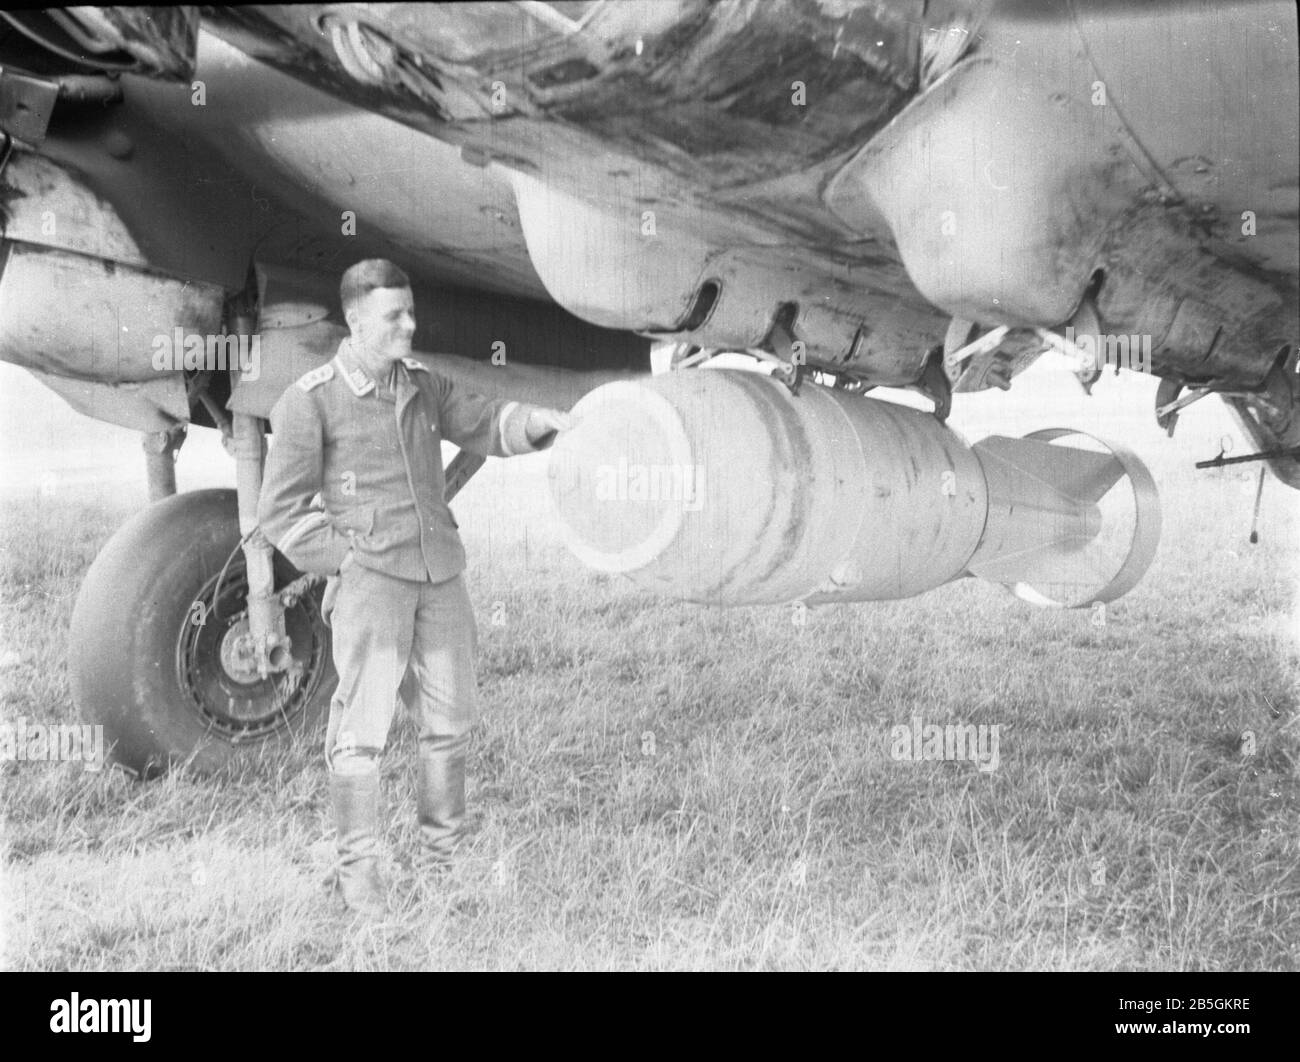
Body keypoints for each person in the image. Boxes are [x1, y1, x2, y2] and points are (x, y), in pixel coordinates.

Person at [257, 258, 572, 915]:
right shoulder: (309, 400)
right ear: (356, 321)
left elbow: (486, 420)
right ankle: (358, 874)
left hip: (440, 576)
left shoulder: (422, 384)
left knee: (449, 724)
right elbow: (281, 514)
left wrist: (541, 421)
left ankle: (442, 864)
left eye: (410, 311)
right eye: (394, 315)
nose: (410, 324)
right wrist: (349, 560)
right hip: (373, 584)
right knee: (361, 731)